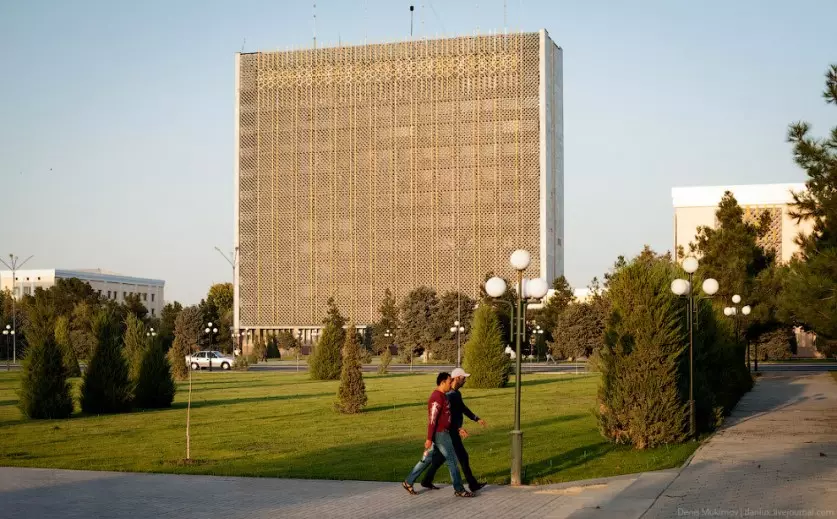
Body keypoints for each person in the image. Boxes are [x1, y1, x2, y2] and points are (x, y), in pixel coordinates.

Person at [402, 372, 475, 498]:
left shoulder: (444, 396)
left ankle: (408, 482)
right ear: (442, 383)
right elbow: (432, 420)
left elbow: (446, 418)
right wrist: (429, 438)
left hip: (443, 432)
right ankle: (459, 489)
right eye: (448, 381)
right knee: (452, 461)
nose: (450, 383)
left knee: (428, 459)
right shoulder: (436, 397)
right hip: (440, 434)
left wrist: (457, 428)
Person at [420, 367, 487, 493]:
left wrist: (476, 418)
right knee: (462, 457)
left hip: (451, 430)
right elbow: (446, 416)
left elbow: (463, 408)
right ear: (457, 378)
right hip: (450, 431)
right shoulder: (449, 396)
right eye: (463, 378)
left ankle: (426, 480)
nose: (465, 381)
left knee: (439, 457)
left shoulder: (456, 394)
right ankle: (471, 485)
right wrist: (458, 428)